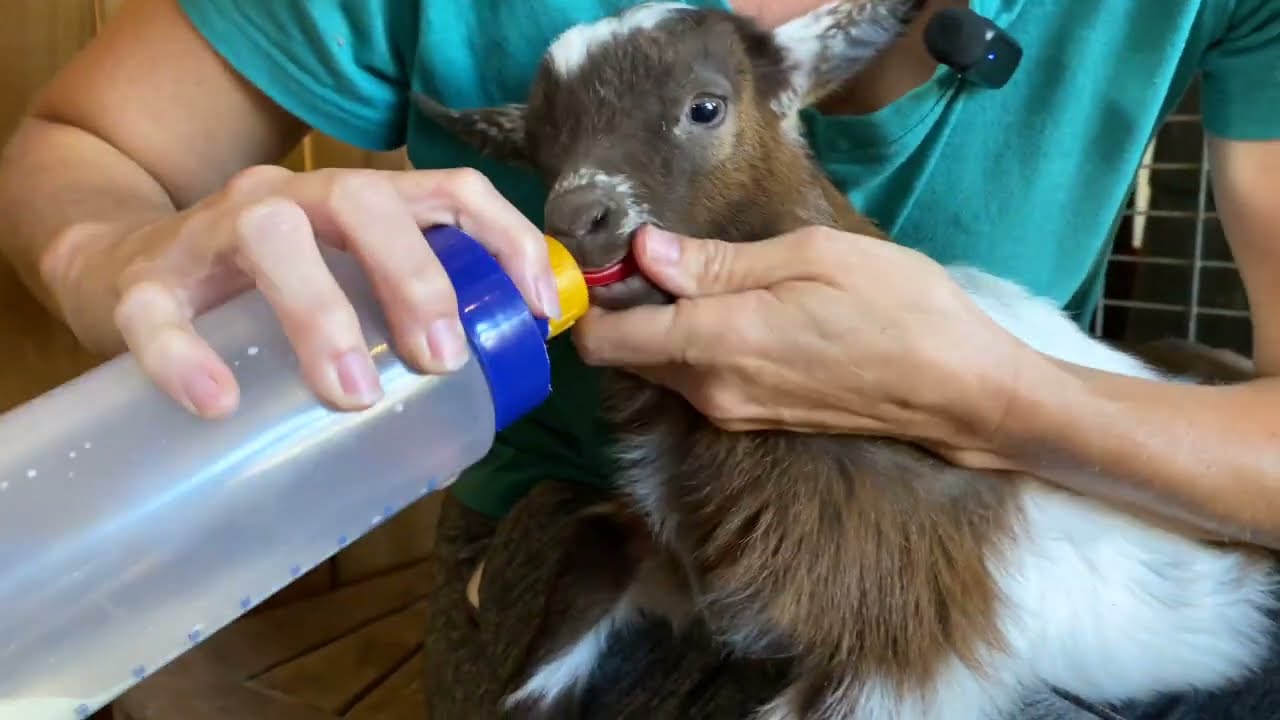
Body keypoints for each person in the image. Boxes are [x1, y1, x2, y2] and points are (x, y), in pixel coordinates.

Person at [1, 0, 1278, 717]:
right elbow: (84, 144)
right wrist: (117, 256)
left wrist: (998, 402)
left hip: (1015, 518)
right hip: (587, 528)